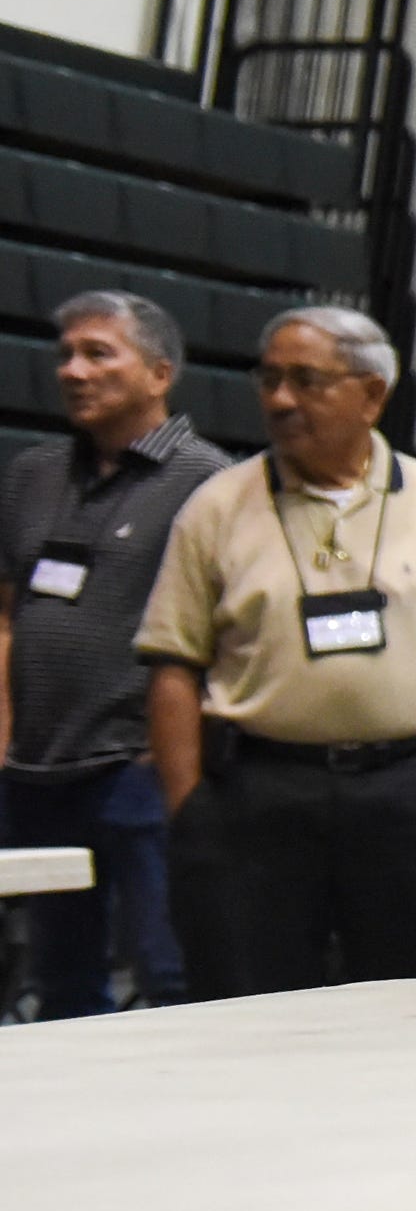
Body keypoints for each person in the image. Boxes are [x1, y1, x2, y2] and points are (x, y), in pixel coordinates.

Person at [137, 305, 416, 996]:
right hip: (258, 797)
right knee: (252, 1003)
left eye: (306, 380)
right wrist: (188, 808)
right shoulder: (215, 506)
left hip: (407, 794)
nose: (281, 400)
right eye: (270, 379)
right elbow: (173, 666)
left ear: (372, 394)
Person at [0, 291, 230, 1014]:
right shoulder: (33, 475)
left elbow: (225, 636)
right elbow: (7, 615)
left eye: (98, 352)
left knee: (170, 970)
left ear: (160, 373)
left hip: (139, 767)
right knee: (61, 978)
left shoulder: (208, 480)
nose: (73, 370)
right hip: (37, 770)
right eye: (65, 354)